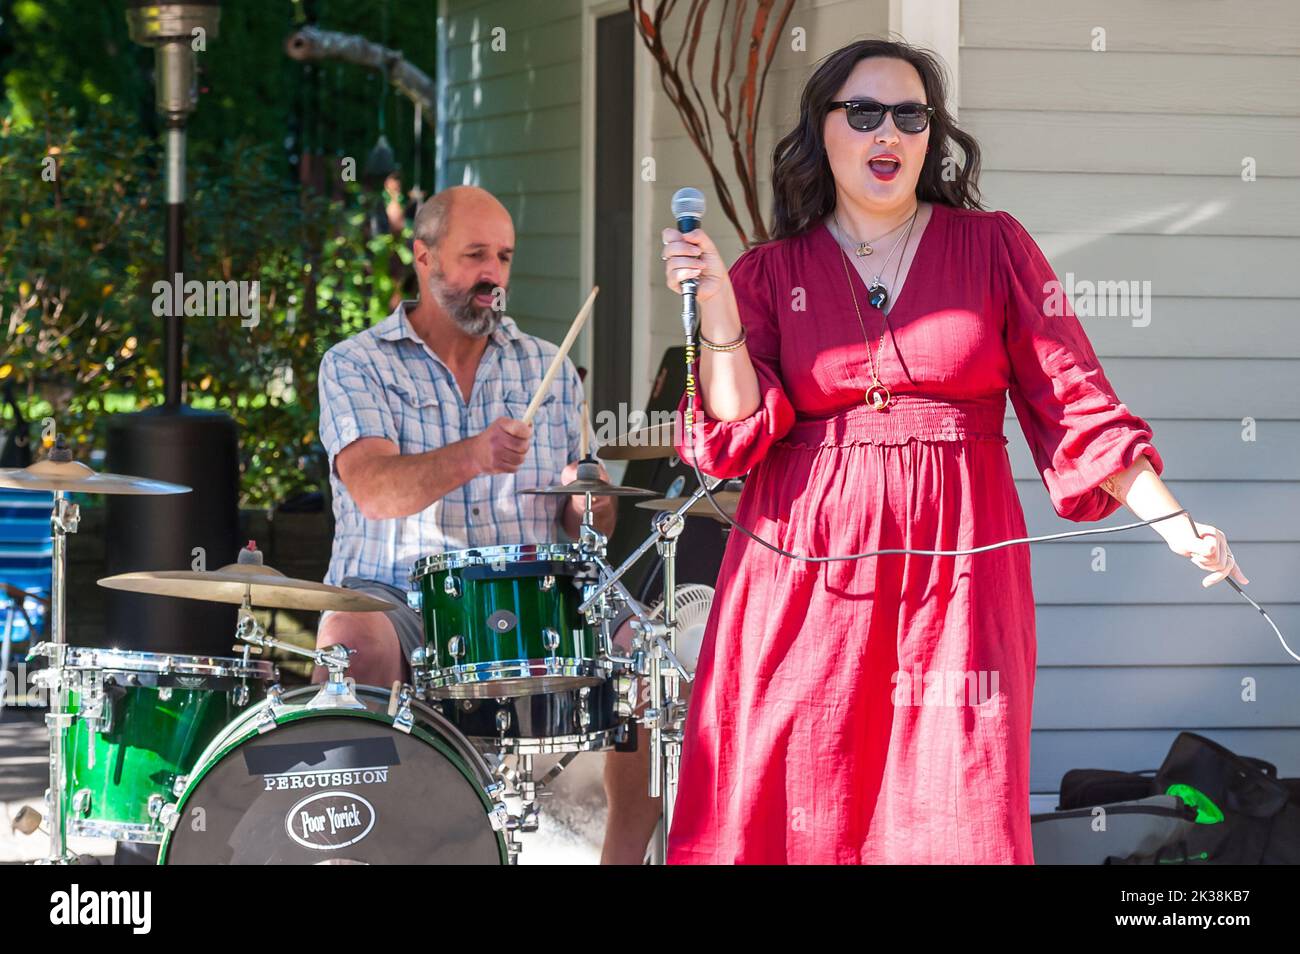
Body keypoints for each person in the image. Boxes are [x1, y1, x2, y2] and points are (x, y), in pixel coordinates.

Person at [658, 39, 1247, 864]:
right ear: (822, 131)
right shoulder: (768, 272)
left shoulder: (993, 247)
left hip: (958, 582)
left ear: (932, 135)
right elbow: (729, 436)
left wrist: (1175, 524)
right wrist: (718, 310)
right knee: (798, 791)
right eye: (862, 113)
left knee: (952, 799)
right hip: (803, 578)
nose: (886, 132)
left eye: (909, 114)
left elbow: (1075, 399)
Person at [314, 185, 616, 689]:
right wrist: (476, 455)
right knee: (351, 640)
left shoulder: (550, 367)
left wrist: (592, 504)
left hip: (530, 596)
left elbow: (589, 529)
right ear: (425, 257)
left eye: (503, 257)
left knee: (652, 646)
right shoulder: (357, 364)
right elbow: (372, 491)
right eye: (475, 255)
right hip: (397, 596)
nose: (493, 275)